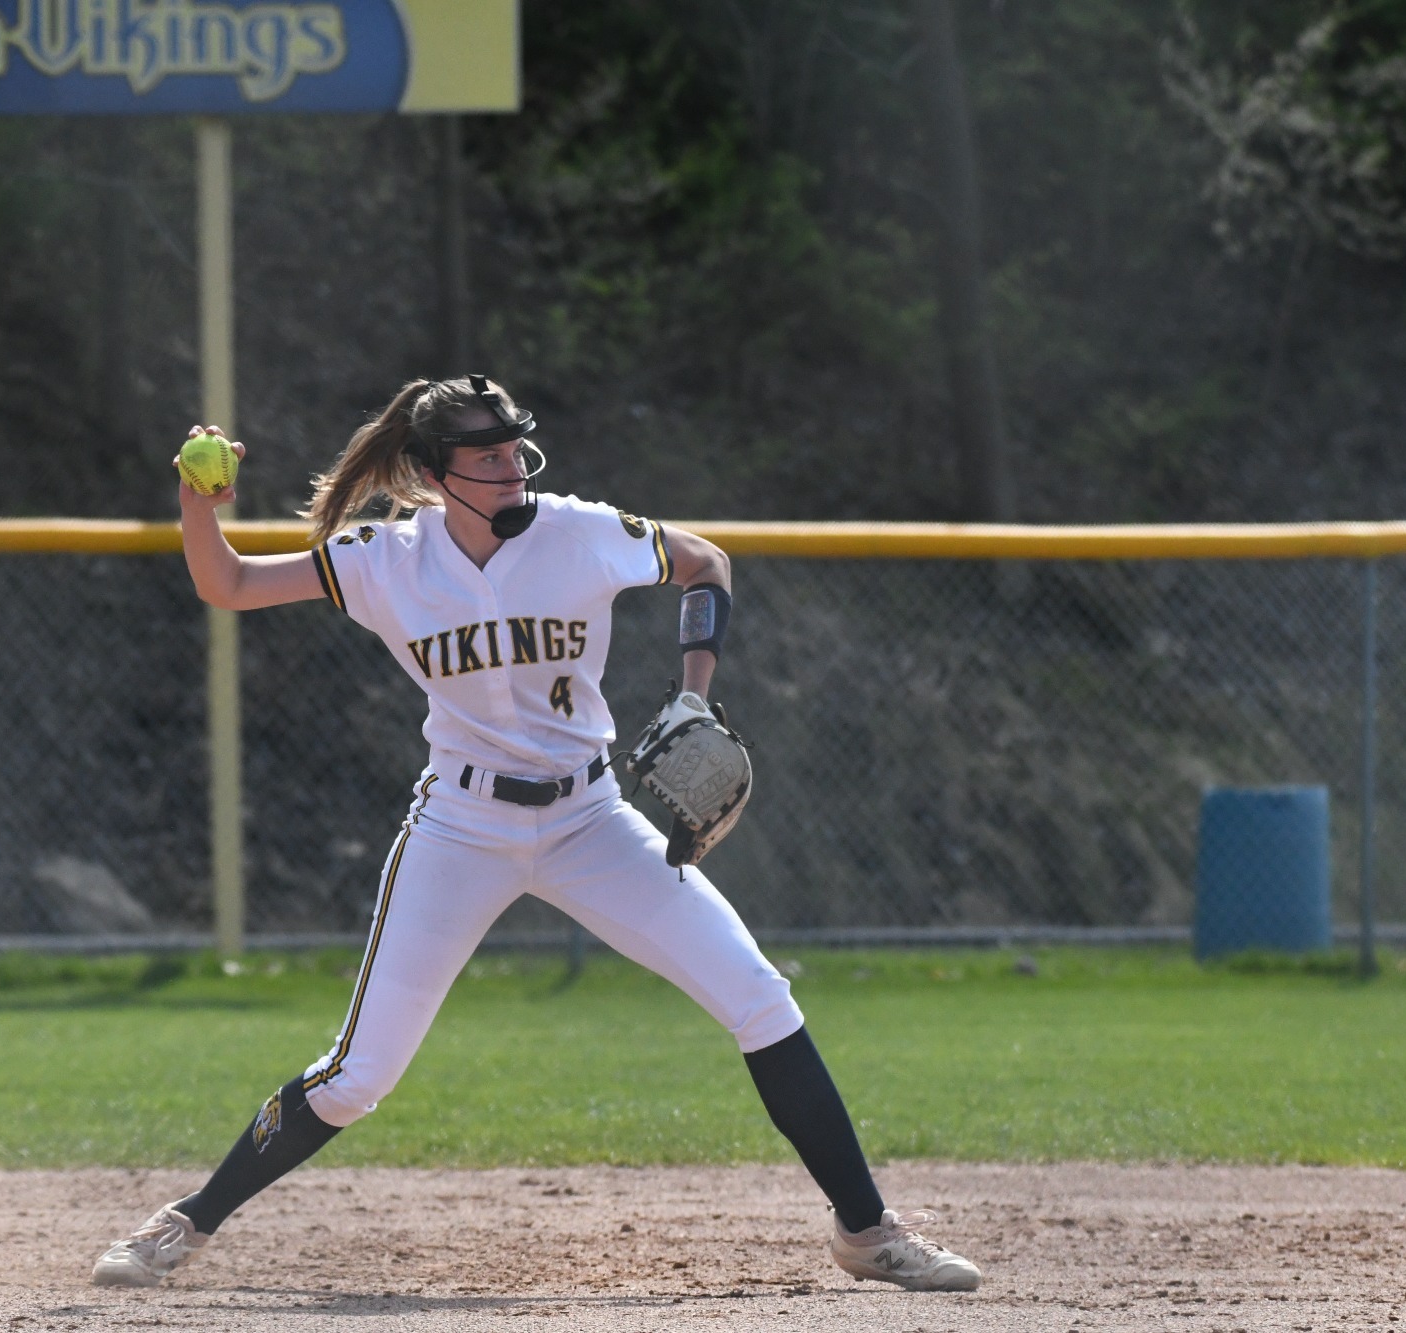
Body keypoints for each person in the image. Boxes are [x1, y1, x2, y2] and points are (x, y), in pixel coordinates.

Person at [91, 377, 980, 1293]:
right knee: (358, 1076)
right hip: (460, 826)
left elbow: (705, 560)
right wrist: (200, 507)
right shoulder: (382, 558)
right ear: (436, 474)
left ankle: (867, 1232)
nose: (513, 470)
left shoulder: (577, 529)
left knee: (758, 995)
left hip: (589, 818)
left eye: (517, 449)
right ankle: (185, 1223)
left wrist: (692, 693)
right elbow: (227, 581)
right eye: (488, 457)